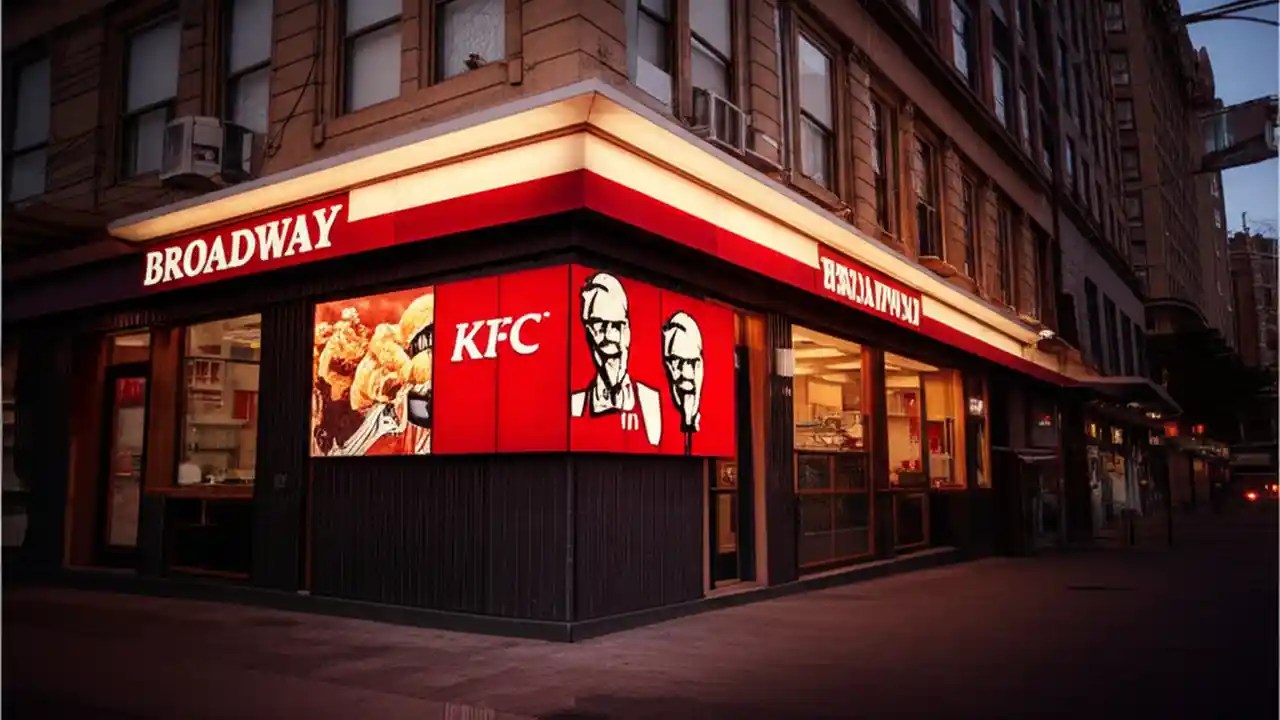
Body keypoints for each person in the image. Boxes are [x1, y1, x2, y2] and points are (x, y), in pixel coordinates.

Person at [570, 272, 661, 446]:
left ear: (627, 330)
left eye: (616, 325)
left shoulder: (649, 400)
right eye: (599, 325)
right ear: (588, 331)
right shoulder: (577, 404)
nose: (609, 335)